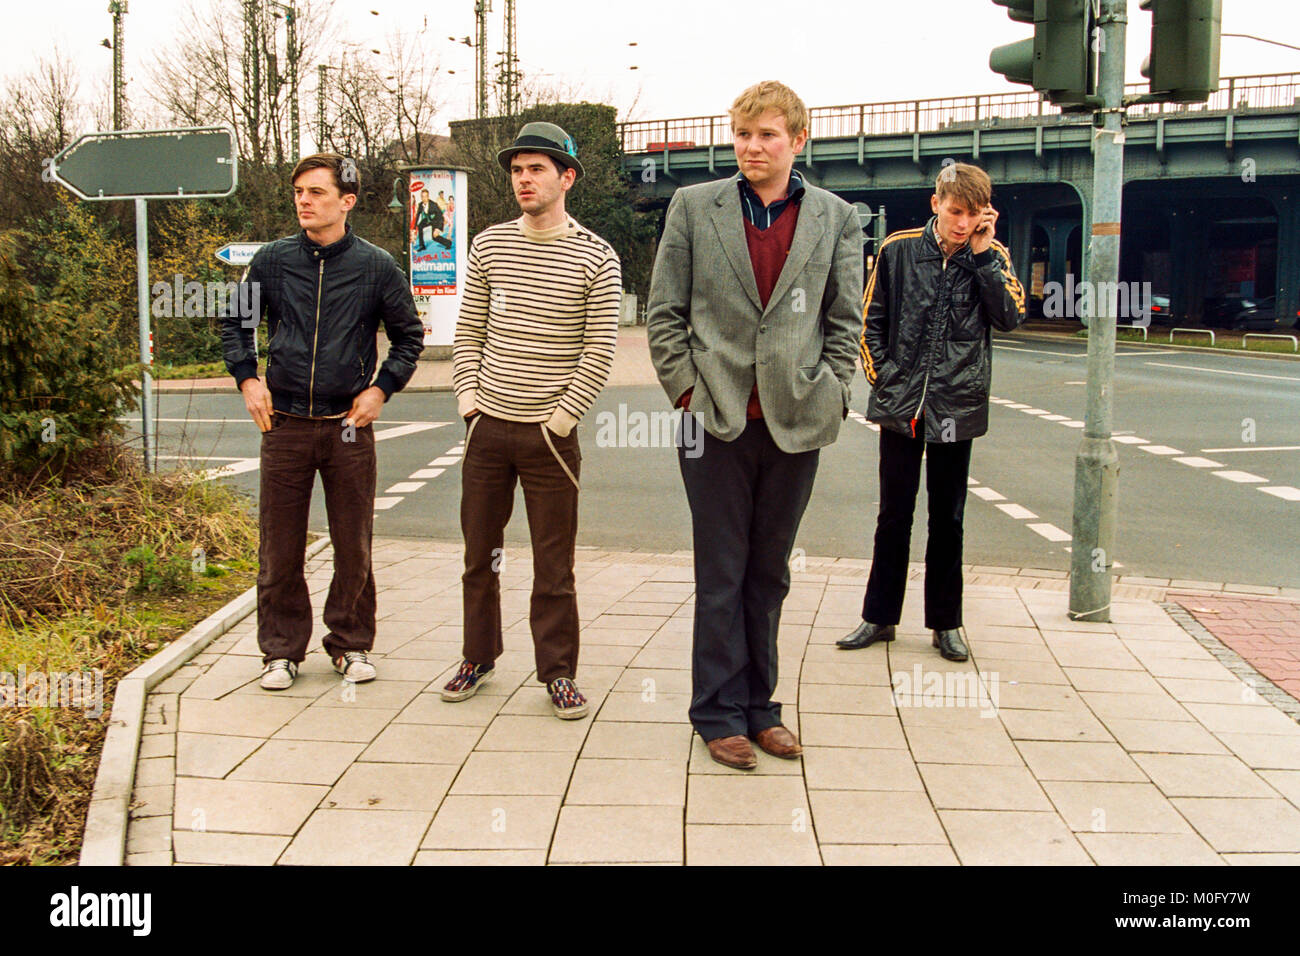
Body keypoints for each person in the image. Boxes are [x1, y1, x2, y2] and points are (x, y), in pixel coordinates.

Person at [646, 81, 863, 770]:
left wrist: (832, 391)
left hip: (795, 419)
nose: (752, 147)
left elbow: (845, 319)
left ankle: (760, 707)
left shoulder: (835, 217)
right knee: (722, 573)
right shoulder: (693, 206)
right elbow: (664, 313)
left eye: (767, 135)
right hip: (710, 418)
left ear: (798, 140)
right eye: (742, 135)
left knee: (769, 573)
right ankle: (717, 713)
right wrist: (686, 392)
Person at [220, 152, 425, 691]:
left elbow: (409, 337)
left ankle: (351, 644)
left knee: (353, 543)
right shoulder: (273, 261)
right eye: (298, 192)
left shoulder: (376, 266)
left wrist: (382, 388)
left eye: (316, 192)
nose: (304, 201)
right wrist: (247, 378)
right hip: (283, 423)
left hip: (348, 425)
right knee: (279, 546)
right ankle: (280, 652)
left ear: (346, 201)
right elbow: (236, 324)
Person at [443, 122, 621, 719]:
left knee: (554, 566)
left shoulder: (597, 256)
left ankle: (559, 673)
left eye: (536, 169)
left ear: (566, 178)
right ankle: (477, 657)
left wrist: (562, 420)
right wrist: (469, 401)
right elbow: (469, 330)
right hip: (487, 428)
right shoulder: (490, 245)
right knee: (479, 557)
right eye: (517, 170)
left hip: (549, 437)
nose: (523, 179)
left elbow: (599, 349)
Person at [838, 162, 1025, 661]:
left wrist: (983, 257)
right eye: (955, 211)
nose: (963, 223)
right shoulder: (898, 250)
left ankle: (946, 624)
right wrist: (886, 379)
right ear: (936, 204)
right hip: (902, 406)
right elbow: (869, 321)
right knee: (893, 516)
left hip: (956, 407)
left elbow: (1010, 317)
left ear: (986, 214)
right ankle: (879, 617)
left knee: (948, 520)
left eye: (973, 214)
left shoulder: (992, 255)